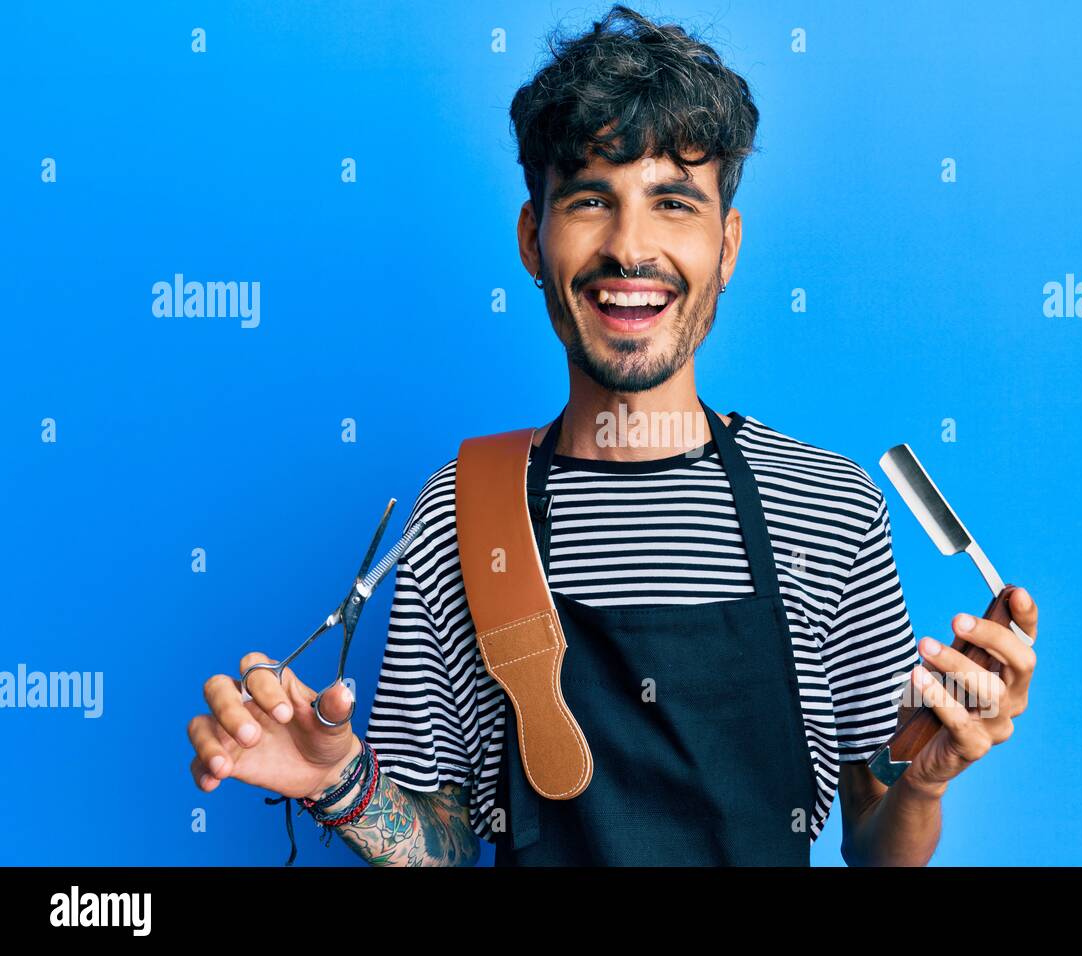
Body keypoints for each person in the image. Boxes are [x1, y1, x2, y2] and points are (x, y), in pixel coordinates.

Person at [186, 4, 1038, 867]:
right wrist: (338, 783)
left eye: (674, 202)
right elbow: (441, 844)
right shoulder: (463, 510)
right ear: (533, 237)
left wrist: (924, 784)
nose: (631, 247)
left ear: (727, 244)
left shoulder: (827, 504)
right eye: (592, 199)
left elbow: (874, 842)